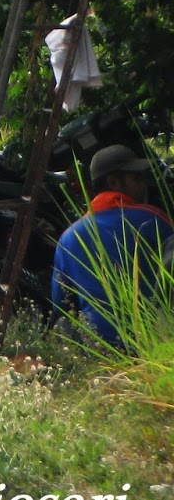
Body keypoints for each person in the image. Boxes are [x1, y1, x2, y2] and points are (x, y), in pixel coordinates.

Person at [52, 144, 173, 350]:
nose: (143, 185)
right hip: (157, 344)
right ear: (114, 182)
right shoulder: (153, 220)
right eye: (136, 178)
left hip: (101, 350)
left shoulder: (69, 238)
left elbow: (61, 306)